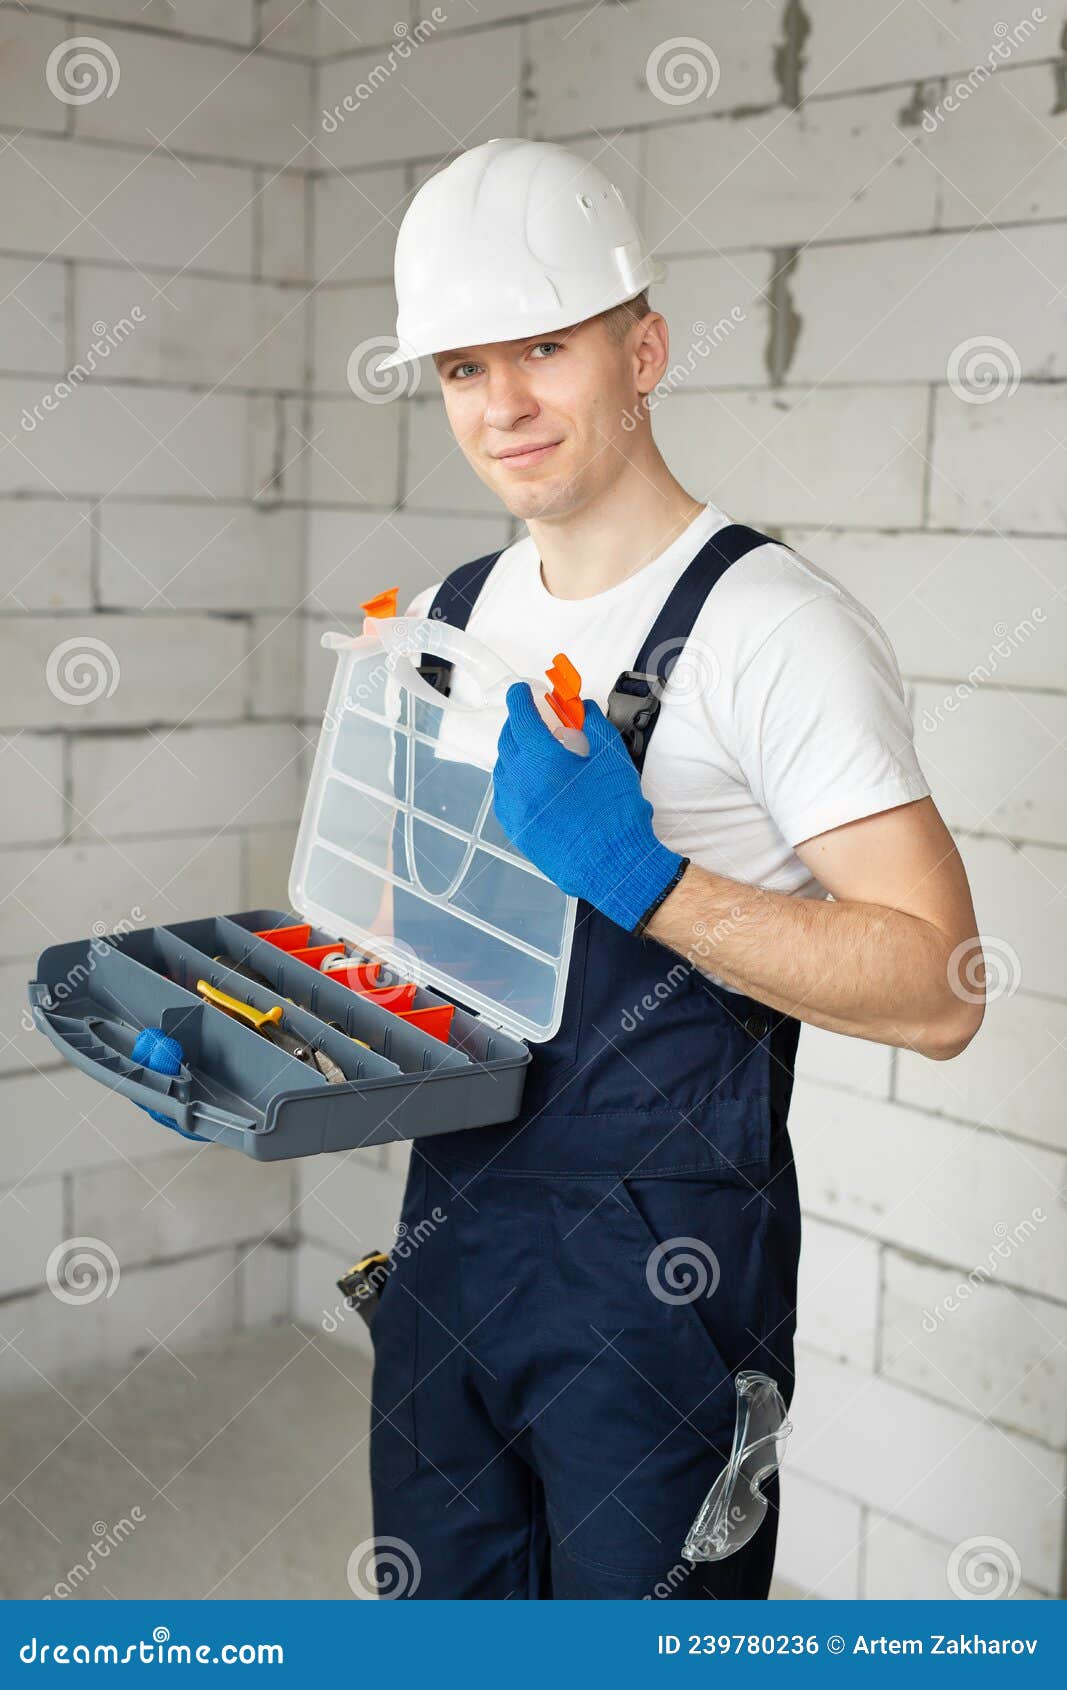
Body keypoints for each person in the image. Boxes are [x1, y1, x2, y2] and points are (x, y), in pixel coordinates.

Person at [366, 138, 984, 1600]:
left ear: (641, 349)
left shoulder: (773, 626)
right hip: (449, 1244)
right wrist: (300, 1024)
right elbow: (423, 951)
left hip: (660, 1301)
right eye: (462, 366)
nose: (502, 403)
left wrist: (646, 881)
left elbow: (943, 984)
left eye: (543, 346)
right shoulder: (450, 617)